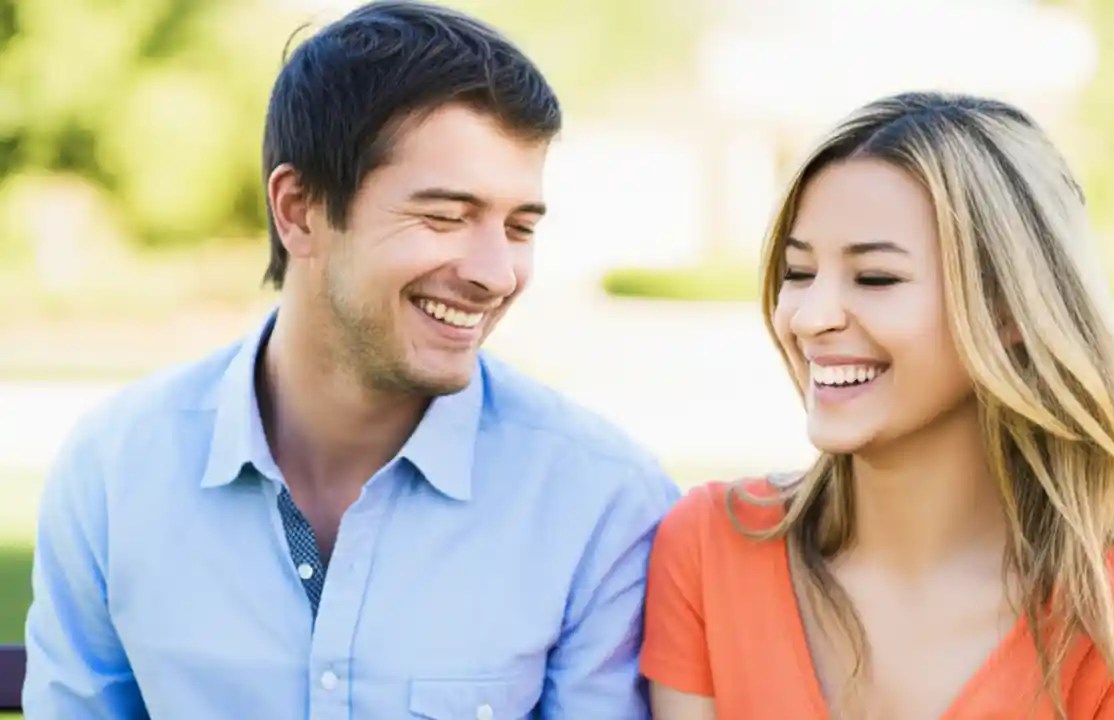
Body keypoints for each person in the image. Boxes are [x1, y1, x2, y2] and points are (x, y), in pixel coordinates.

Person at [23, 2, 679, 717]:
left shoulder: (600, 502)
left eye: (519, 226)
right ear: (299, 209)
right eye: (445, 216)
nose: (496, 273)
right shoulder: (114, 473)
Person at [639, 91, 1114, 719]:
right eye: (798, 273)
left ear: (1011, 310)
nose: (810, 316)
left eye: (876, 278)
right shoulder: (711, 545)